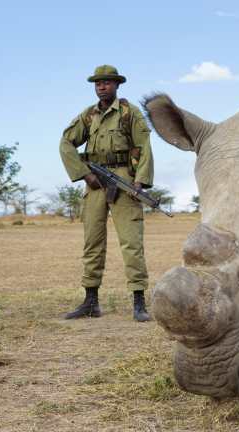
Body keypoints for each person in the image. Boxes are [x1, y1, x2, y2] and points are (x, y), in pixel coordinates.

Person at [59, 65, 154, 322]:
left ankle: (139, 302)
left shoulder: (129, 113)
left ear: (117, 85)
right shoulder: (88, 116)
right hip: (94, 182)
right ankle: (91, 302)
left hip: (123, 178)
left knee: (131, 242)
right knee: (92, 241)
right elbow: (66, 142)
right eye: (98, 83)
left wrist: (141, 182)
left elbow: (144, 146)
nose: (102, 86)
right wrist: (83, 173)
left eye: (107, 82)